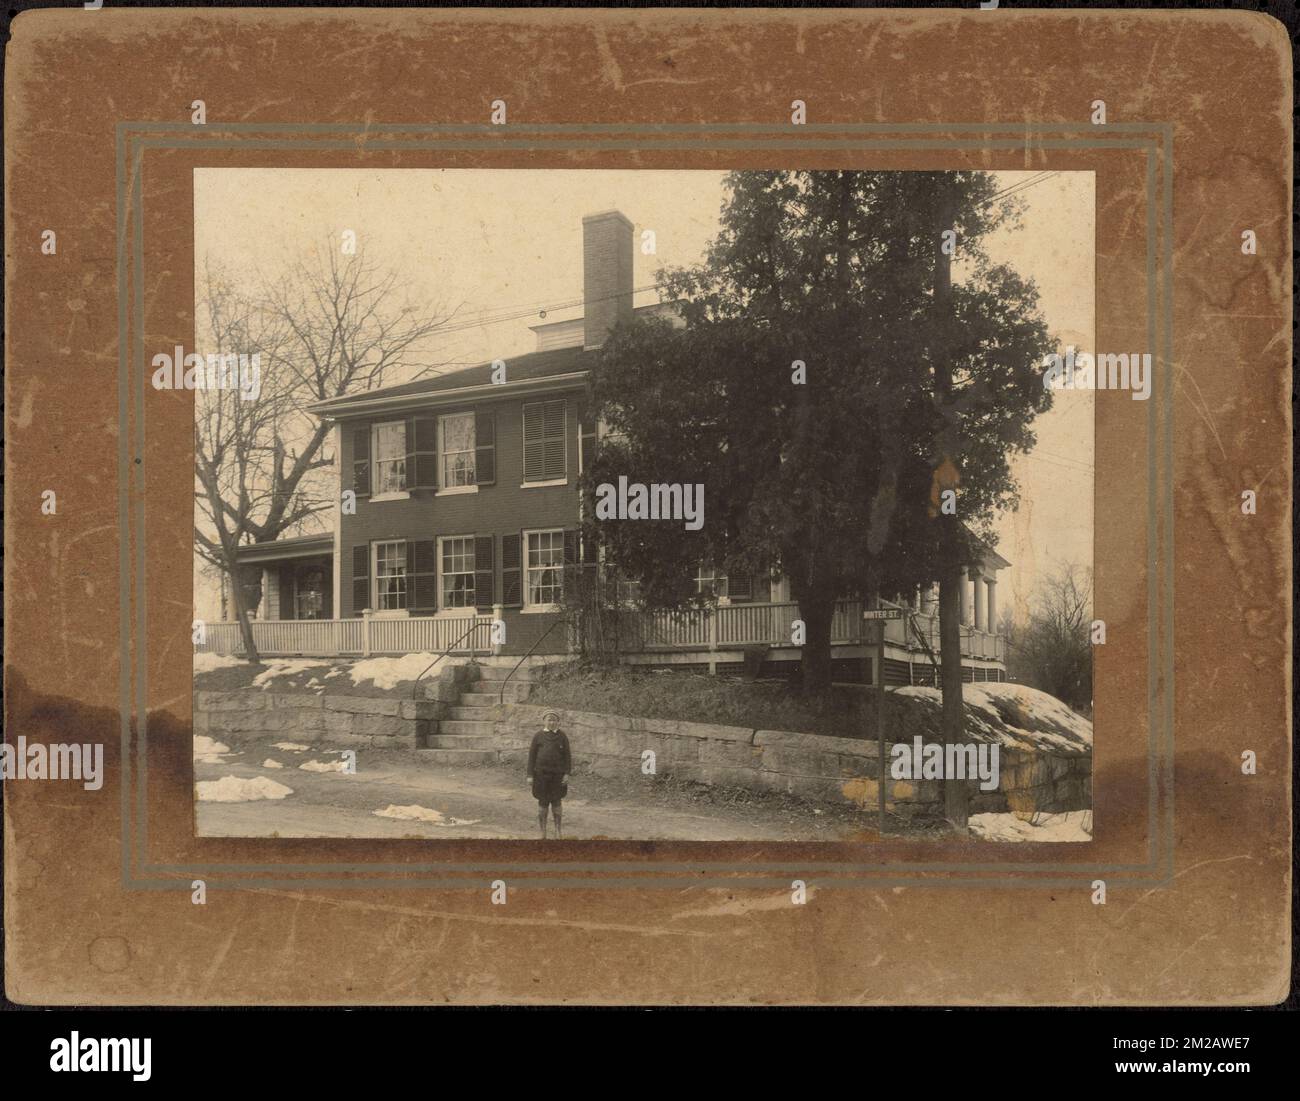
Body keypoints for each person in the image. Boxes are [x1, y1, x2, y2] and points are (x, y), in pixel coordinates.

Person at [527, 709, 571, 839]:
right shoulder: (538, 736)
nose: (551, 722)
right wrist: (530, 775)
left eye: (554, 720)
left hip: (558, 776)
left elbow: (567, 757)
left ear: (558, 722)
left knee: (557, 802)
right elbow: (531, 757)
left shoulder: (562, 736)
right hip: (541, 776)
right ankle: (543, 831)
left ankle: (558, 831)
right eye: (549, 720)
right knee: (543, 803)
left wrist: (567, 774)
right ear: (544, 721)